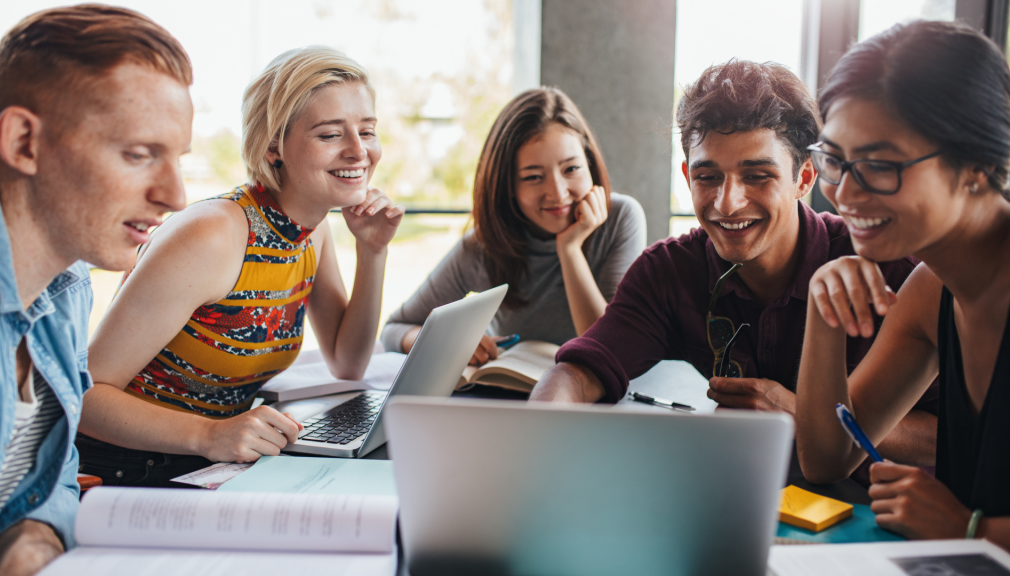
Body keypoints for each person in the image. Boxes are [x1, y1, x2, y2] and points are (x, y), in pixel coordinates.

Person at [529, 60, 937, 475]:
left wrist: (802, 414)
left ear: (804, 177)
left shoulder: (893, 271)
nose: (727, 204)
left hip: (873, 504)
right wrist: (537, 449)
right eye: (708, 177)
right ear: (687, 176)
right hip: (734, 491)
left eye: (757, 176)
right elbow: (576, 375)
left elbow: (953, 438)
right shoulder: (668, 271)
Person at [78, 46, 404, 487]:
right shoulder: (211, 234)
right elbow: (84, 395)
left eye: (366, 131)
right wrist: (210, 434)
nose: (358, 151)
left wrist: (373, 250)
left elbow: (348, 363)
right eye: (330, 135)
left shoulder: (313, 229)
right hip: (127, 470)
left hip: (211, 464)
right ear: (274, 148)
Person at [0, 5, 193, 574]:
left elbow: (48, 479)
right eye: (139, 154)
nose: (175, 196)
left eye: (177, 158)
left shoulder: (67, 283)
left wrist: (31, 540)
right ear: (24, 142)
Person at [795, 21, 1010, 547]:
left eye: (877, 165)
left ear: (978, 165)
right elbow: (827, 459)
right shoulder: (931, 291)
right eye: (834, 161)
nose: (844, 193)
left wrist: (970, 530)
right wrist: (823, 311)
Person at [381, 87, 647, 366]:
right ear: (507, 185)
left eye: (571, 169)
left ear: (589, 164)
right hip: (509, 389)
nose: (557, 193)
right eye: (533, 177)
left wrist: (570, 249)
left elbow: (609, 348)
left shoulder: (620, 218)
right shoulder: (484, 246)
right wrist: (447, 343)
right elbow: (394, 330)